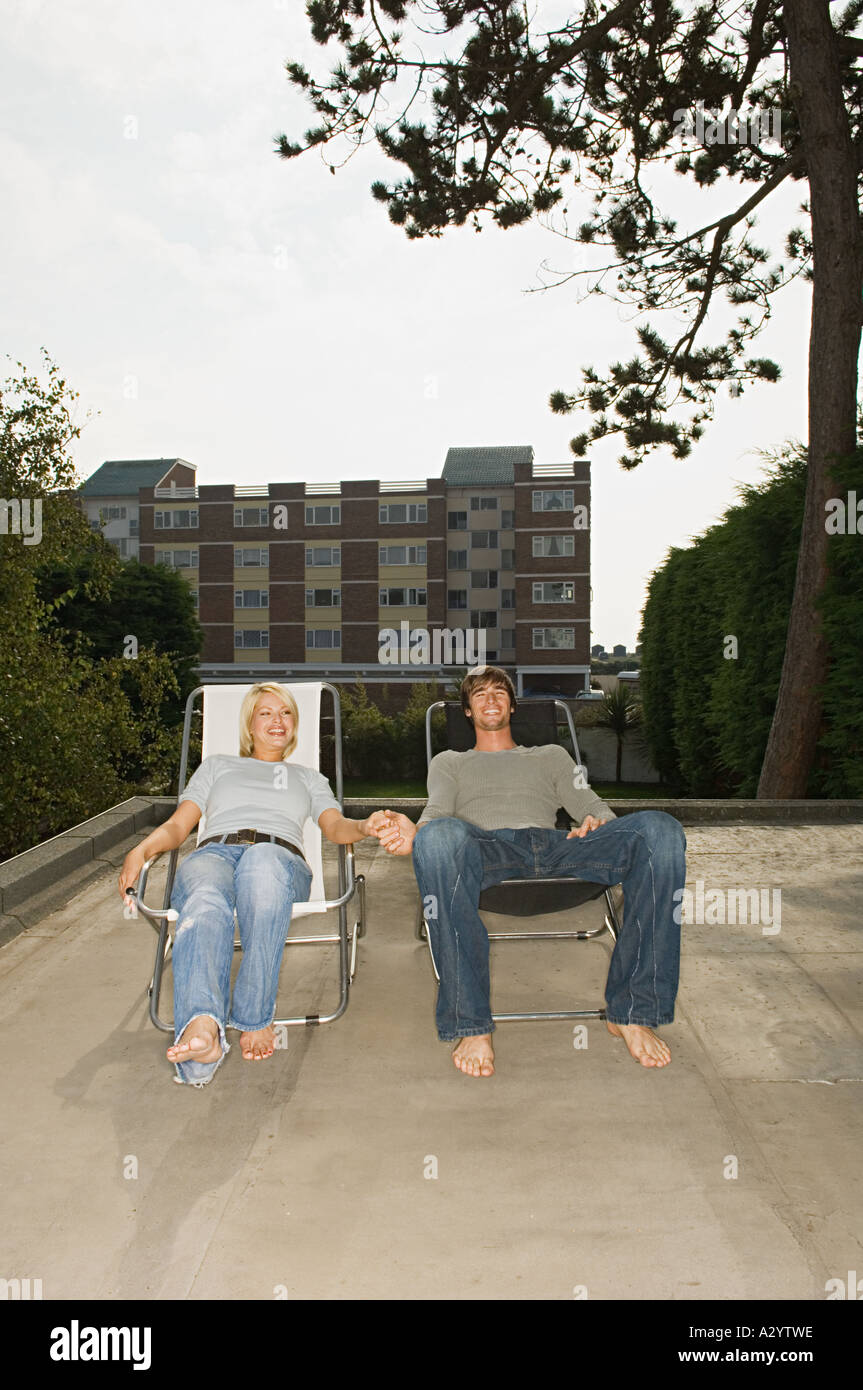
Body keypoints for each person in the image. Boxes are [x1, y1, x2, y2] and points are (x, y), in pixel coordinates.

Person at [373, 666, 686, 1079]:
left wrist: (596, 821)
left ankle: (632, 1011)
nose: (490, 699)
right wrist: (417, 832)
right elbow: (437, 816)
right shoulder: (449, 762)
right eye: (479, 693)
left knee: (661, 831)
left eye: (499, 692)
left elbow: (591, 805)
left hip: (560, 849)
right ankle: (471, 1024)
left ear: (512, 705)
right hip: (488, 851)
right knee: (439, 838)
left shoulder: (551, 756)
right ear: (467, 710)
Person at [119, 682, 388, 1087]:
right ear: (249, 723)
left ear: (295, 725)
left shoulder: (308, 777)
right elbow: (179, 826)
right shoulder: (217, 766)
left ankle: (254, 1015)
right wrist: (140, 851)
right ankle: (202, 1029)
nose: (277, 721)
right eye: (266, 713)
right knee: (205, 899)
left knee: (260, 864)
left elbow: (334, 827)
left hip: (279, 862)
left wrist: (364, 826)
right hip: (215, 853)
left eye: (286, 713)